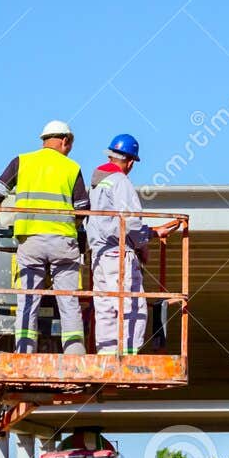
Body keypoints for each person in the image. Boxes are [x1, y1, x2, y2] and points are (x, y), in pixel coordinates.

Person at [0, 120, 90, 354]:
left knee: (28, 299)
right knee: (68, 300)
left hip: (30, 241)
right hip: (63, 242)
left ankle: (24, 350)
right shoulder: (71, 167)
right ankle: (74, 353)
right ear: (65, 141)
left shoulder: (21, 161)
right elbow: (83, 209)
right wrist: (69, 227)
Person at [87, 133, 152, 355]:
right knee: (132, 305)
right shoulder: (120, 181)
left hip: (98, 253)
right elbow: (131, 222)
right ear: (130, 161)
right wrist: (143, 244)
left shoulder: (97, 181)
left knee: (105, 306)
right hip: (118, 252)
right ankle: (128, 353)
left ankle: (106, 354)